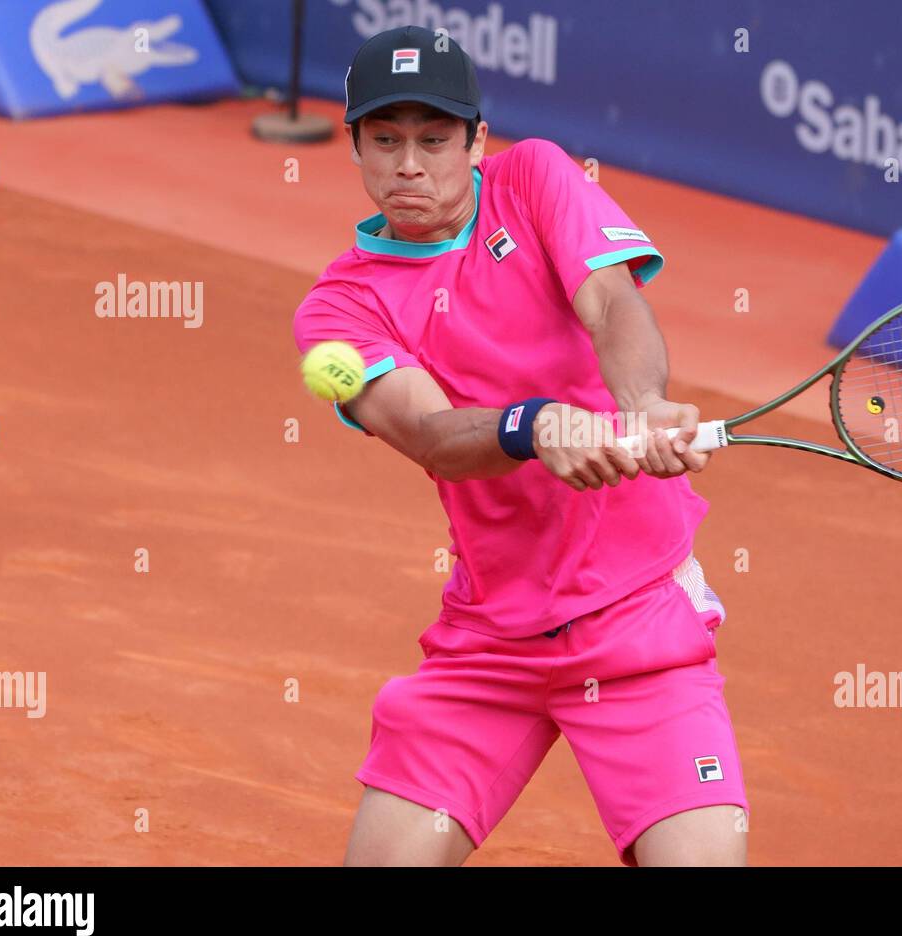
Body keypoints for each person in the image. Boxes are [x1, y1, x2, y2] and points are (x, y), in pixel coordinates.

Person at [294, 25, 748, 866]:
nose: (409, 165)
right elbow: (433, 437)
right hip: (491, 640)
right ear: (353, 143)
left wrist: (641, 403)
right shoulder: (339, 312)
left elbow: (610, 302)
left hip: (640, 621)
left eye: (434, 140)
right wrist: (533, 427)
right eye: (385, 141)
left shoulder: (535, 177)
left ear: (477, 140)